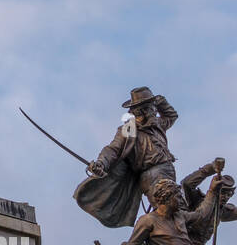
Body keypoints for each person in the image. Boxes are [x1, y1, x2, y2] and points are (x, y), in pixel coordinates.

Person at [74, 86, 178, 227]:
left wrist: (161, 102)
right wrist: (101, 163)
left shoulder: (157, 124)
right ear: (141, 110)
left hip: (168, 169)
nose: (154, 110)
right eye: (150, 107)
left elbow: (171, 116)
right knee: (171, 210)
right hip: (152, 174)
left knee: (177, 208)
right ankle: (168, 240)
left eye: (153, 107)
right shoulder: (128, 130)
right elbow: (112, 150)